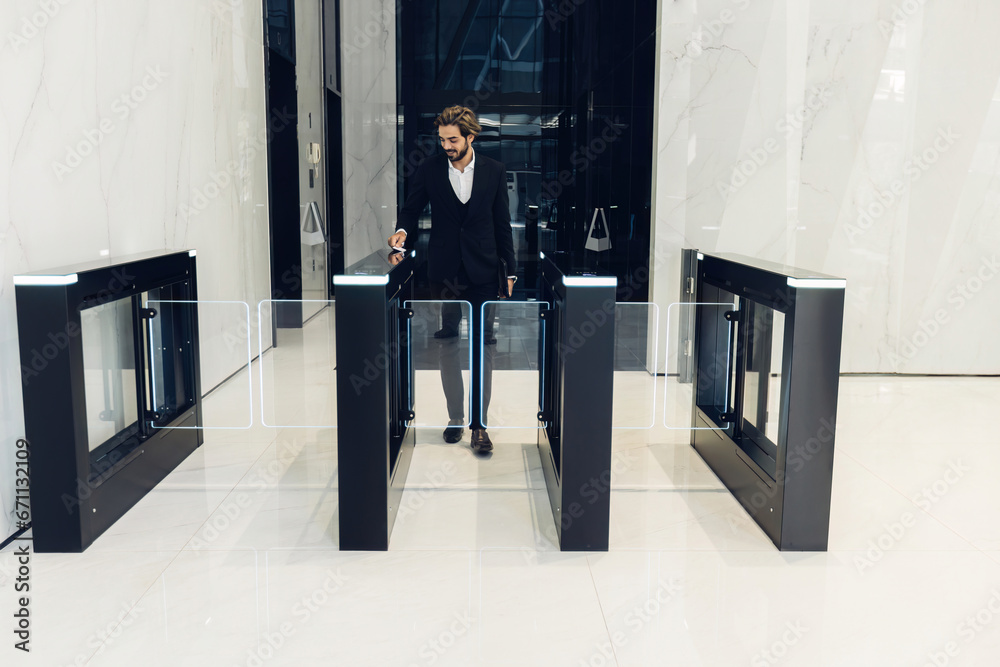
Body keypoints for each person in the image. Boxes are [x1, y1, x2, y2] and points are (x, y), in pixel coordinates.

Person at [388, 105, 516, 455]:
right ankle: (455, 419)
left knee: (485, 346)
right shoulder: (429, 169)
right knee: (447, 343)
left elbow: (503, 225)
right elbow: (412, 209)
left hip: (485, 271)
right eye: (442, 139)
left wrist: (511, 269)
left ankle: (480, 426)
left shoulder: (494, 170)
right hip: (445, 272)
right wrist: (402, 232)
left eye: (453, 139)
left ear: (471, 136)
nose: (446, 145)